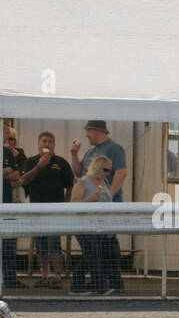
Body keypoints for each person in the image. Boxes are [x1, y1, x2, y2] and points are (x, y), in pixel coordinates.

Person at [70, 120, 127, 294]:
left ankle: (109, 283)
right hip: (89, 218)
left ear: (96, 131)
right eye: (104, 170)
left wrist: (108, 196)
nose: (86, 135)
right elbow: (79, 173)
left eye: (88, 131)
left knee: (107, 249)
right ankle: (98, 284)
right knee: (95, 250)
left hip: (104, 214)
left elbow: (121, 172)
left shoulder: (114, 149)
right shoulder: (89, 154)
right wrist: (74, 155)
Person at [20, 132, 74, 289]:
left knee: (54, 244)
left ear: (54, 145)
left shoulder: (61, 163)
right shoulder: (31, 162)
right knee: (41, 244)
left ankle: (57, 277)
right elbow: (23, 180)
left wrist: (66, 204)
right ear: (38, 144)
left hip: (56, 211)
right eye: (44, 141)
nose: (47, 144)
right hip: (37, 210)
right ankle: (44, 275)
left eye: (51, 141)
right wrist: (40, 165)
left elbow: (70, 184)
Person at [71, 155, 114, 295]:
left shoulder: (105, 183)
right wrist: (90, 199)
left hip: (100, 226)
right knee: (92, 254)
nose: (107, 173)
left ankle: (82, 285)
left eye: (109, 171)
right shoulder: (82, 183)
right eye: (105, 170)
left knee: (91, 255)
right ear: (97, 167)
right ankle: (99, 286)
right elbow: (73, 203)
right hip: (83, 226)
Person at [2, 126, 25, 290]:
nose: (8, 140)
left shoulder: (11, 153)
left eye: (11, 138)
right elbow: (9, 173)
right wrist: (5, 172)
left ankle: (10, 277)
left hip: (8, 203)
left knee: (10, 242)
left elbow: (17, 175)